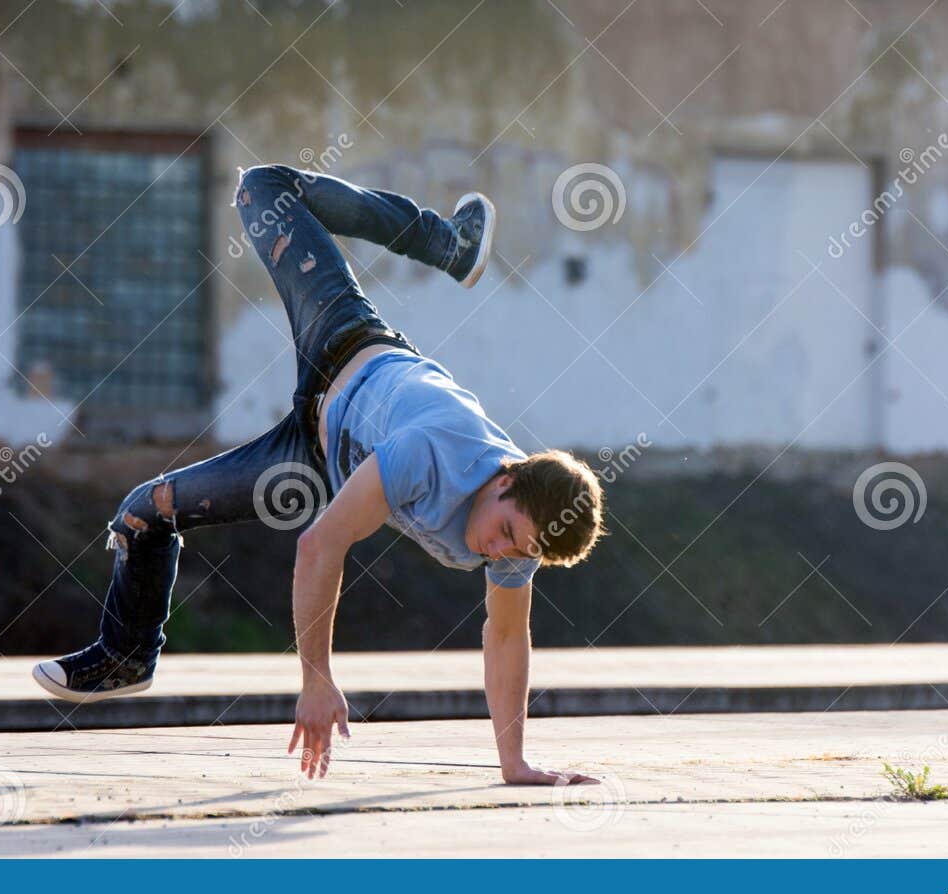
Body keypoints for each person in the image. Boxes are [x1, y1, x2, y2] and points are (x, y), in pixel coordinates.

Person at [34, 163, 605, 785]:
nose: (498, 552)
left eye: (515, 551)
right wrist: (317, 679)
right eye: (504, 531)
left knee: (147, 508)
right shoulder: (430, 449)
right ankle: (448, 242)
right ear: (504, 479)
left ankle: (126, 659)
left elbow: (504, 640)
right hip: (343, 340)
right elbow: (320, 545)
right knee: (265, 189)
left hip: (313, 457)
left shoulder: (525, 534)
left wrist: (513, 763)